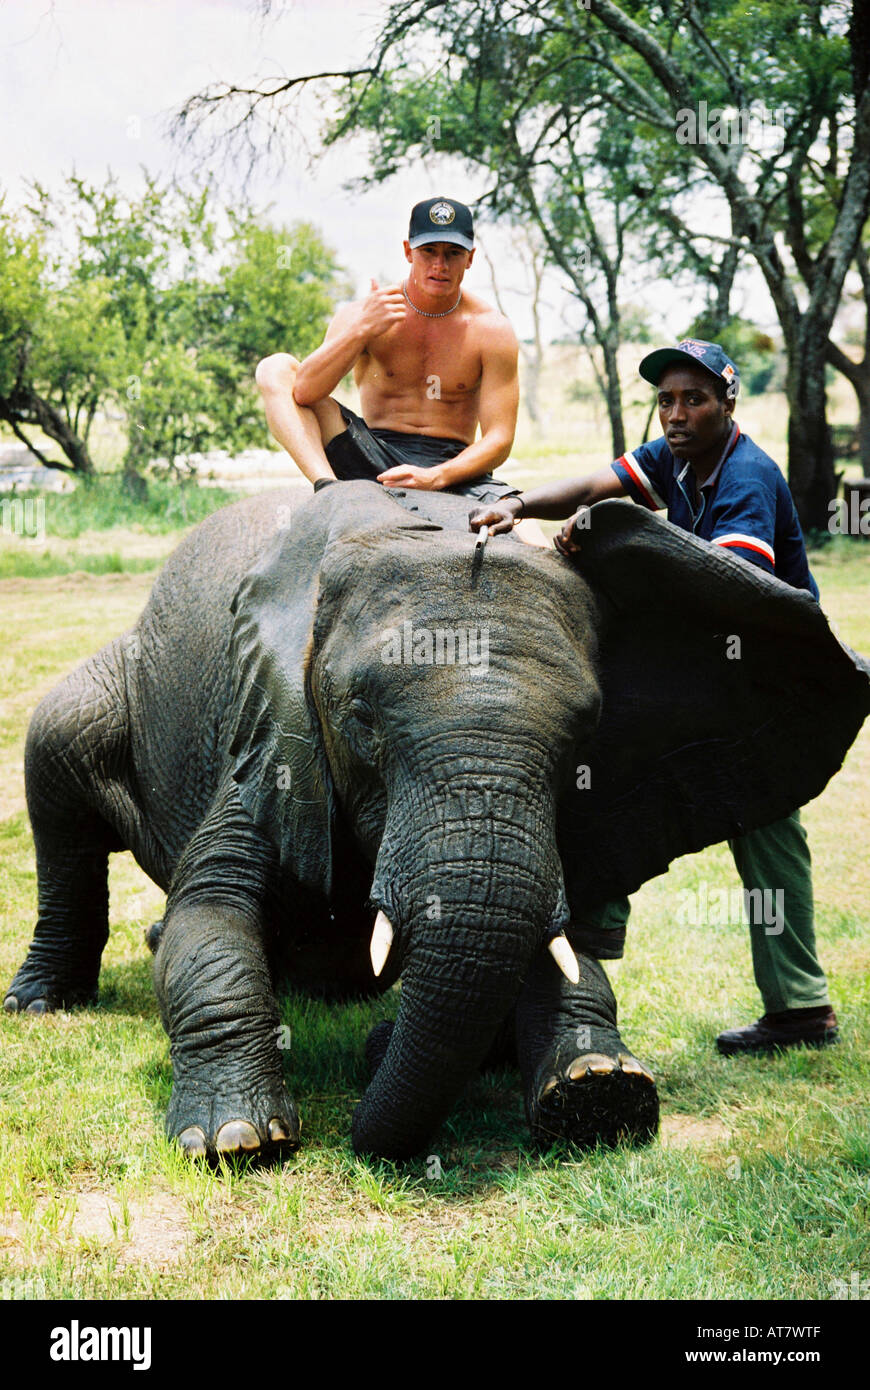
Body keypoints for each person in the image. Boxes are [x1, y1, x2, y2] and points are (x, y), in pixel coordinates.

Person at [469, 338, 838, 1055]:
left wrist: (611, 535)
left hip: (767, 681)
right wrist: (516, 504)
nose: (676, 413)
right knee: (612, 775)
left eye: (693, 399)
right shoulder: (675, 457)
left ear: (727, 404)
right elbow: (591, 488)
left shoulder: (747, 478)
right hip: (718, 676)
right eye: (666, 399)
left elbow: (722, 590)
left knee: (764, 833)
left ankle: (796, 1008)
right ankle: (597, 942)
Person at [255, 195, 536, 517]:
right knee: (274, 368)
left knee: (537, 545)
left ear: (470, 258)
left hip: (454, 467)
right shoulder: (363, 313)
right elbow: (304, 392)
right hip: (371, 451)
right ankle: (327, 488)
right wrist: (362, 330)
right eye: (428, 251)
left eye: (453, 253)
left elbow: (499, 439)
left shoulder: (492, 329)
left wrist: (436, 476)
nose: (439, 265)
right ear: (408, 252)